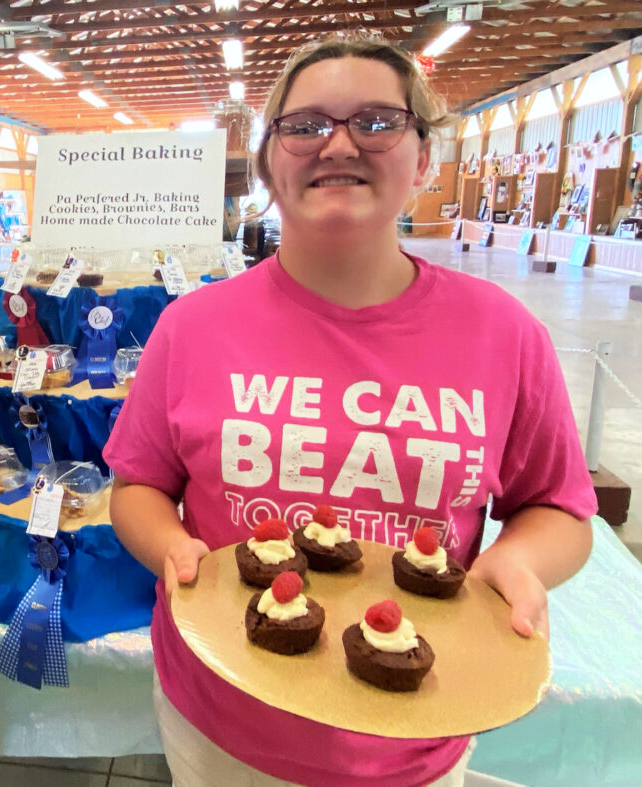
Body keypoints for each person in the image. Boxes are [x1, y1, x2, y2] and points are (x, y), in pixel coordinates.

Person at [104, 34, 596, 787]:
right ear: (271, 160)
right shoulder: (193, 325)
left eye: (375, 121)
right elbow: (137, 485)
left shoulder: (504, 334)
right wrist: (170, 545)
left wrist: (518, 559)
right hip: (222, 719)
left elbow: (558, 507)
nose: (337, 143)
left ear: (424, 157)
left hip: (412, 732)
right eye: (304, 126)